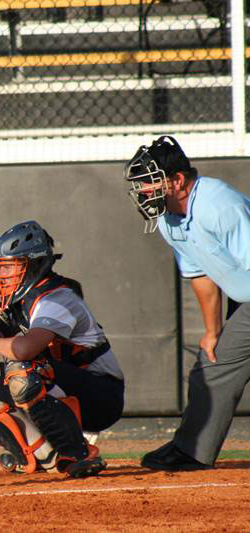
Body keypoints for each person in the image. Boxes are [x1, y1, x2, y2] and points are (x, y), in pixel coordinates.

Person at [0, 220, 125, 477]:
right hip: (59, 386)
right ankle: (40, 456)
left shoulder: (57, 298)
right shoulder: (19, 301)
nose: (2, 275)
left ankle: (79, 455)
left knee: (24, 371)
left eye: (10, 267)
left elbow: (23, 350)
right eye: (0, 267)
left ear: (34, 264)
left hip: (100, 394)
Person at [124, 135, 250, 471]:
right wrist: (213, 331)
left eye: (151, 184)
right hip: (245, 300)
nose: (144, 193)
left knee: (215, 368)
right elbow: (202, 275)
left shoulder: (217, 204)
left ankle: (191, 450)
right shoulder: (168, 218)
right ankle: (191, 449)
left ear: (178, 180)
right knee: (212, 362)